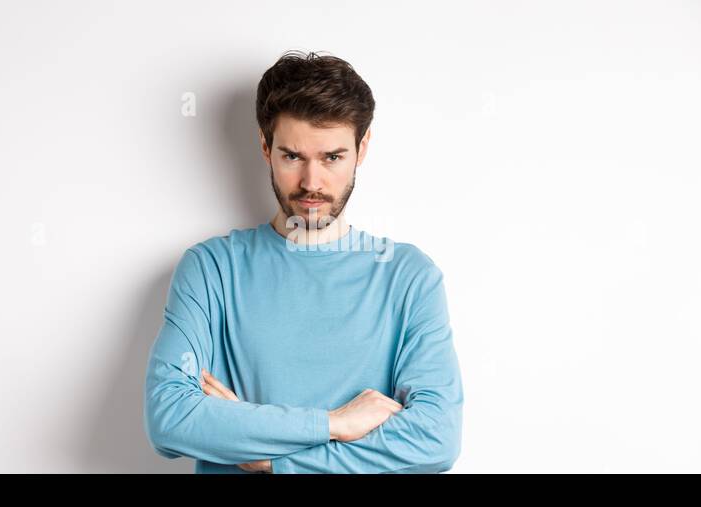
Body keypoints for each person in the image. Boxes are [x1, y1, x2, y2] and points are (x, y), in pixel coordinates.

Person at [143, 51, 463, 473]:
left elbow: (435, 439)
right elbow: (171, 418)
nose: (312, 183)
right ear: (265, 146)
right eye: (292, 156)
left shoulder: (409, 277)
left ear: (361, 148)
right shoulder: (211, 269)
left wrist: (270, 462)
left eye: (332, 157)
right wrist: (333, 424)